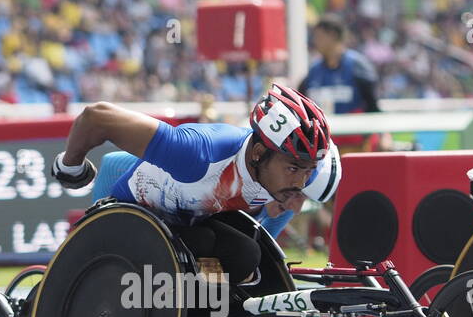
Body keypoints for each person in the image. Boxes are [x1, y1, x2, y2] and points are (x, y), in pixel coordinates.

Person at [50, 84, 340, 283]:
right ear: (258, 153)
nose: (300, 183)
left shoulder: (293, 179)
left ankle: (197, 311)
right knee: (203, 247)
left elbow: (262, 247)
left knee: (247, 257)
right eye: (294, 169)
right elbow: (96, 117)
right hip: (128, 217)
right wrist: (70, 167)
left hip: (183, 224)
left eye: (308, 172)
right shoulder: (199, 152)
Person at [298, 15, 380, 115]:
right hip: (325, 125)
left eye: (319, 36)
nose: (315, 41)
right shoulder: (313, 71)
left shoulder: (358, 66)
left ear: (333, 35)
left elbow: (373, 106)